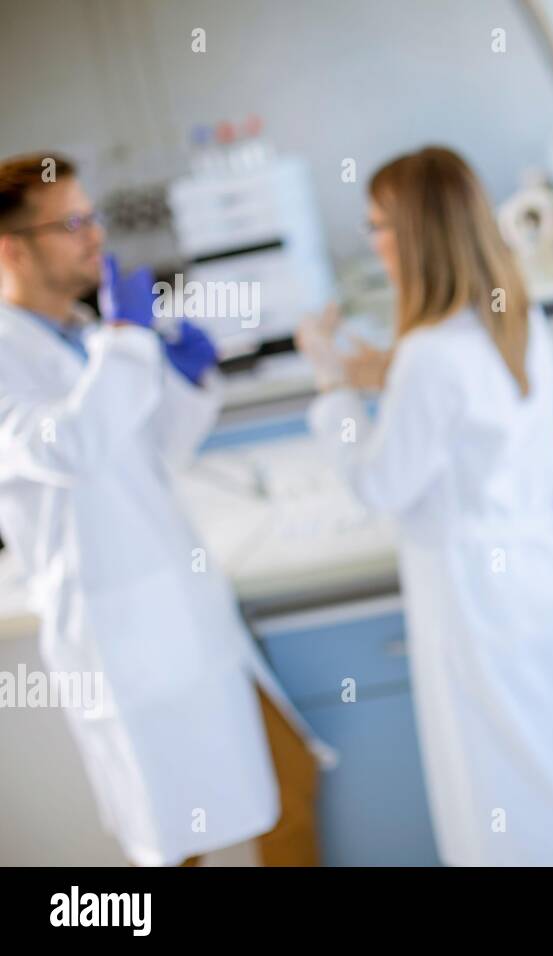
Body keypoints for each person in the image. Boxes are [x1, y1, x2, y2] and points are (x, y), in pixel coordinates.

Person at [297, 146, 553, 866]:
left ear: (417, 234)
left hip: (476, 601)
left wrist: (332, 385)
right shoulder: (512, 315)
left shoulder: (429, 353)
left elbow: (376, 488)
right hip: (539, 576)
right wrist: (381, 371)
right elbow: (458, 393)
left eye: (379, 227)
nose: (374, 245)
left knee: (511, 812)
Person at [0, 152, 334, 866]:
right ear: (11, 248)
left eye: (93, 219)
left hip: (186, 615)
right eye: (71, 224)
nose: (95, 237)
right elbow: (70, 446)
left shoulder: (86, 338)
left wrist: (187, 376)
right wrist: (125, 344)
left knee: (286, 786)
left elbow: (154, 451)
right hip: (119, 638)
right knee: (178, 839)